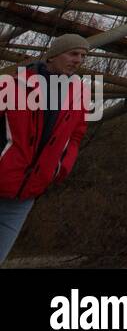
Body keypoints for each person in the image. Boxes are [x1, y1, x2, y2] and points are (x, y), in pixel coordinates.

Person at [0, 33, 91, 263]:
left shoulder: (79, 95)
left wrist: (61, 167)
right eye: (73, 53)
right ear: (52, 56)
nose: (78, 60)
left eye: (82, 55)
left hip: (26, 196)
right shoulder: (15, 84)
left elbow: (76, 135)